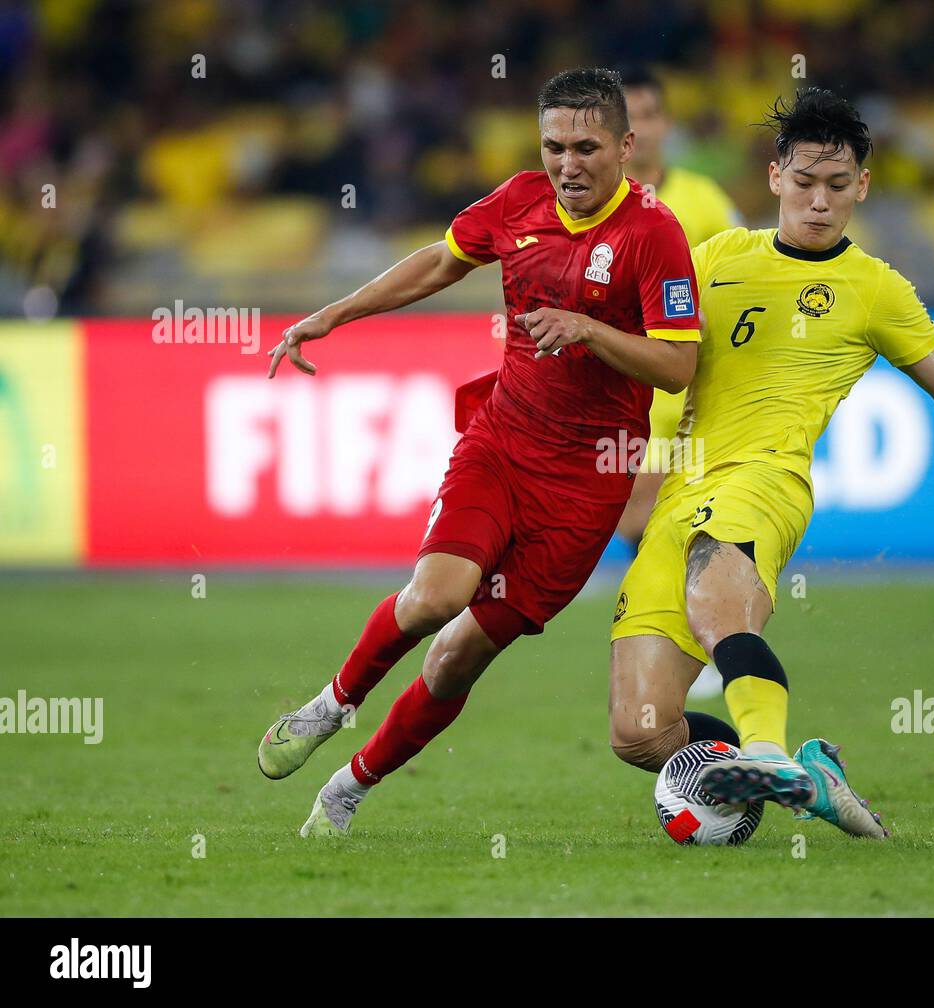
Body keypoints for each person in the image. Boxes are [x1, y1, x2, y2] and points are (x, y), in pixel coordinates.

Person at [607, 88, 934, 838]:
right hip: (681, 487)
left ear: (862, 186)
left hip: (766, 480)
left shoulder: (875, 289)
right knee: (640, 731)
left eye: (838, 187)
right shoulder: (715, 259)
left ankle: (766, 751)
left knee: (716, 604)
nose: (819, 202)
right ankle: (806, 770)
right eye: (804, 183)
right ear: (775, 178)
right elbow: (641, 349)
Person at [256, 68, 727, 837]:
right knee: (436, 596)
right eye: (553, 147)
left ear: (625, 146)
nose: (568, 165)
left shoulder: (657, 233)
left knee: (453, 660)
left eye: (586, 148)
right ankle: (329, 705)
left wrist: (589, 331)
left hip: (585, 489)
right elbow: (442, 260)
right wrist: (332, 315)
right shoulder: (518, 201)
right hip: (504, 443)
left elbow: (677, 364)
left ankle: (347, 789)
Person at [618, 65, 743, 700]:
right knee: (638, 518)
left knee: (687, 519)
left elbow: (745, 278)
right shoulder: (600, 202)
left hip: (688, 386)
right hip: (625, 385)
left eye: (647, 114)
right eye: (627, 117)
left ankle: (701, 643)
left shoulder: (704, 199)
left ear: (664, 123)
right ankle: (690, 637)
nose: (638, 128)